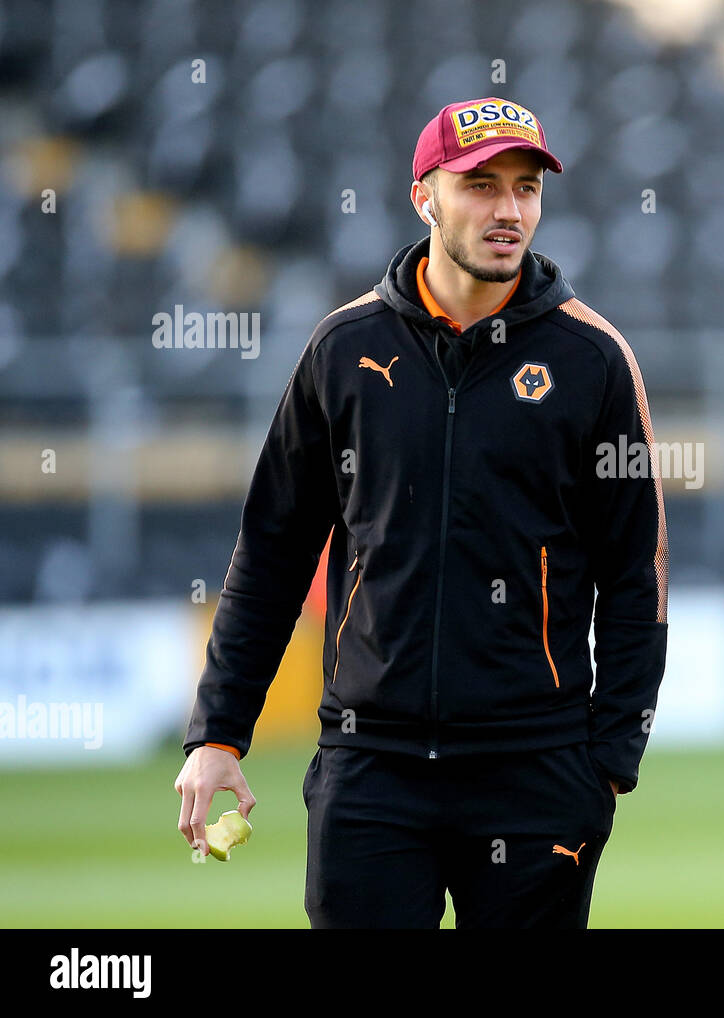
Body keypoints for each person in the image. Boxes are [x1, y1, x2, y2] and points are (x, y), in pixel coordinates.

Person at [174, 96, 669, 928]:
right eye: (480, 186)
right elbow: (271, 553)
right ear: (424, 197)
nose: (508, 210)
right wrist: (218, 733)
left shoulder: (594, 360)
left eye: (525, 188)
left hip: (535, 775)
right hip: (372, 768)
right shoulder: (342, 350)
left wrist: (609, 762)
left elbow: (637, 574)